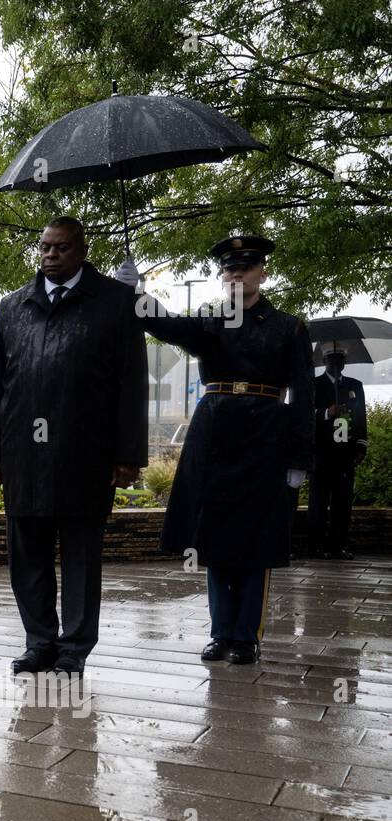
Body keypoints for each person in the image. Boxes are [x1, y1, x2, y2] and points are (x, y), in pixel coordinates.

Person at [0, 217, 148, 675]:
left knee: (80, 559)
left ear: (82, 251)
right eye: (45, 247)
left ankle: (73, 648)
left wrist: (129, 454)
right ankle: (39, 642)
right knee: (26, 556)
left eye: (61, 248)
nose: (50, 255)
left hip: (84, 453)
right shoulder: (13, 307)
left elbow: (132, 386)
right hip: (23, 453)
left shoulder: (114, 302)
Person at [133, 235, 314, 665]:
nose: (236, 275)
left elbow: (304, 396)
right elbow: (167, 324)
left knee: (256, 540)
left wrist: (299, 458)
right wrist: (137, 296)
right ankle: (219, 633)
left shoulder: (288, 327)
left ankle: (246, 635)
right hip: (214, 434)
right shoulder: (211, 321)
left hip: (265, 435)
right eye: (229, 269)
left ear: (262, 273)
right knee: (211, 537)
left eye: (245, 267)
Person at [309, 343, 367, 559]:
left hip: (345, 455)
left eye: (339, 360)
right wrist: (326, 412)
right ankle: (316, 546)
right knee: (319, 503)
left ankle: (338, 545)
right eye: (331, 360)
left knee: (343, 504)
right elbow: (305, 416)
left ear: (344, 362)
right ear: (324, 362)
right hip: (322, 454)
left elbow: (361, 418)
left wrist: (361, 446)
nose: (336, 364)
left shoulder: (355, 386)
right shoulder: (314, 385)